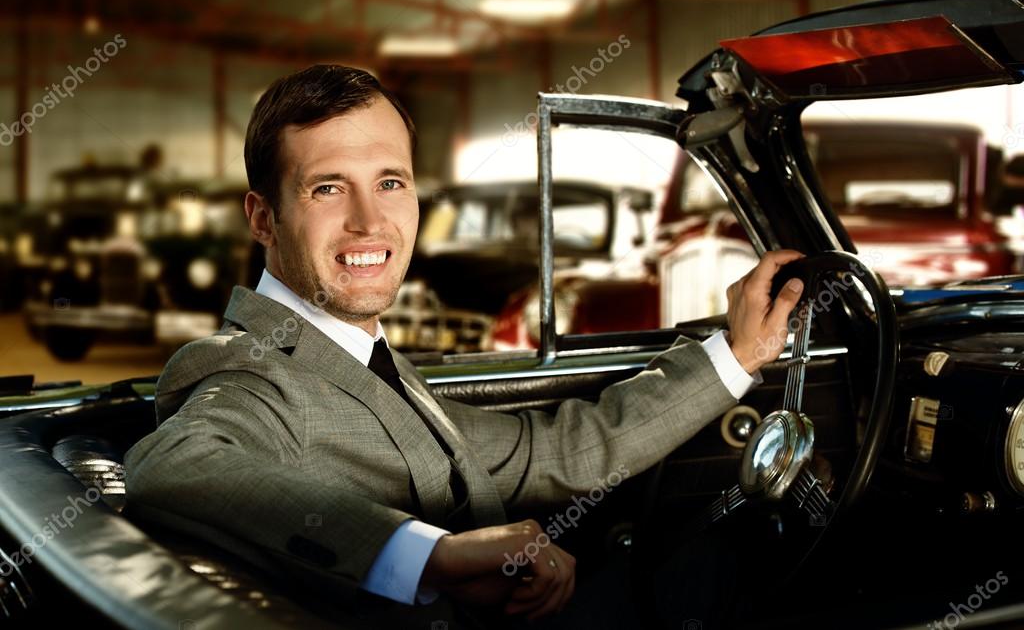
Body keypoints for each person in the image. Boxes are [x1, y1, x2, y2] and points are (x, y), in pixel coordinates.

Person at [125, 64, 805, 628]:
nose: (370, 221)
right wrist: (431, 555)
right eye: (328, 188)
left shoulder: (362, 358)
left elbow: (553, 451)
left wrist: (735, 353)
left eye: (391, 181)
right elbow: (171, 465)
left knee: (715, 560)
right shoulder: (249, 369)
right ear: (263, 217)